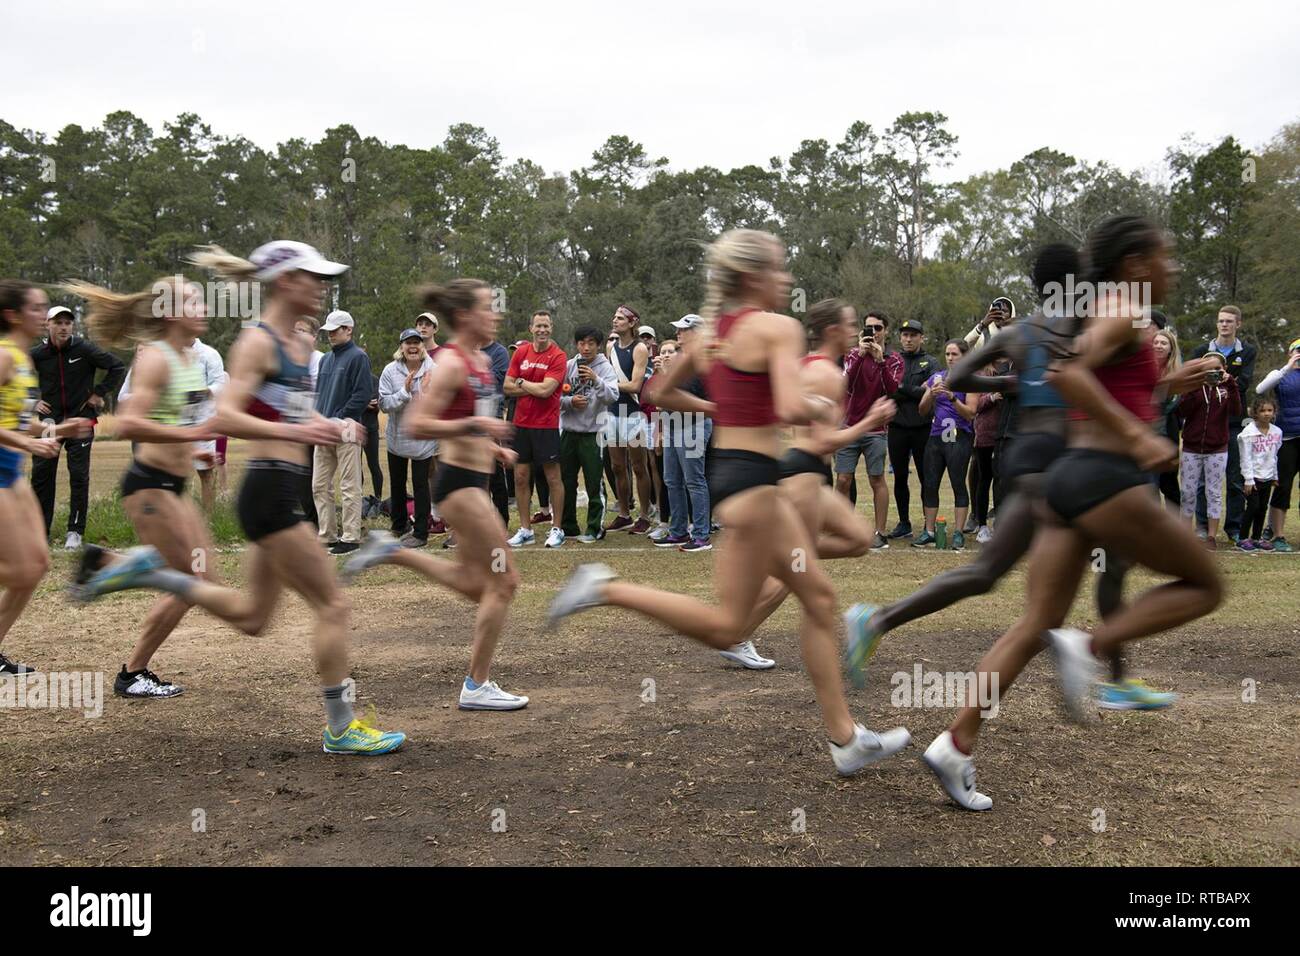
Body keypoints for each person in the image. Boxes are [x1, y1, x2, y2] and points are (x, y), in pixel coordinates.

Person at [550, 229, 910, 775]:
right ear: (752, 277)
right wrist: (824, 407)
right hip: (757, 484)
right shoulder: (778, 328)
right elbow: (790, 405)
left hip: (734, 480)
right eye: (778, 269)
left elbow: (658, 394)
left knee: (734, 626)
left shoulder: (711, 334)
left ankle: (606, 588)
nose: (786, 280)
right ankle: (844, 738)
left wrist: (722, 407)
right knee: (811, 599)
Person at [921, 216, 1222, 811]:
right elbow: (1071, 374)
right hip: (1105, 480)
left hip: (1066, 483)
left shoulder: (1106, 311)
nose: (1174, 269)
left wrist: (1165, 387)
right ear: (1136, 264)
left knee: (1034, 624)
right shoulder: (1121, 308)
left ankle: (956, 743)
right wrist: (1136, 440)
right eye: (1166, 257)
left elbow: (1101, 382)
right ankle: (1091, 647)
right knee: (1207, 584)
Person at [76, 242, 406, 754]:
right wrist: (301, 434)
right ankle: (341, 728)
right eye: (312, 278)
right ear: (285, 282)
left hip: (274, 490)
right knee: (333, 603)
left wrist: (332, 424)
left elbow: (288, 415)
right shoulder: (256, 342)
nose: (321, 289)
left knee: (253, 618)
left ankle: (147, 572)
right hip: (269, 491)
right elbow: (227, 418)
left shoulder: (295, 348)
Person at [345, 278, 529, 711]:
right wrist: (476, 429)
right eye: (487, 308)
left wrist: (492, 447)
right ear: (465, 317)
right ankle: (476, 685)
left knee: (473, 584)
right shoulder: (449, 363)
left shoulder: (480, 359)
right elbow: (417, 424)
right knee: (505, 582)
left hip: (472, 477)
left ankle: (391, 552)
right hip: (458, 484)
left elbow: (467, 421)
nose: (495, 314)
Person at [64, 276, 234, 697]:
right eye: (195, 303)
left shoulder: (185, 359)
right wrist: (189, 439)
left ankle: (110, 566)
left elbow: (170, 420)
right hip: (151, 489)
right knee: (193, 579)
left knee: (197, 578)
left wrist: (194, 453)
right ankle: (131, 664)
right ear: (173, 313)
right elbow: (128, 423)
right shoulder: (155, 359)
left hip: (170, 485)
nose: (205, 309)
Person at [733, 298, 896, 673]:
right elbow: (822, 442)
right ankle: (735, 634)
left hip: (806, 474)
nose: (858, 331)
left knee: (859, 538)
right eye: (851, 323)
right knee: (798, 564)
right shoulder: (826, 374)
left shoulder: (811, 367)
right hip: (804, 472)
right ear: (832, 331)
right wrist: (867, 420)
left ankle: (777, 555)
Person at [0, 281, 93, 674]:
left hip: (10, 470)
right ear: (13, 315)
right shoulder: (4, 356)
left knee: (36, 565)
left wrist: (58, 431)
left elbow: (18, 421)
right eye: (37, 308)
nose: (45, 315)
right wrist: (29, 444)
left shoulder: (21, 359)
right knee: (20, 566)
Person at [29, 304, 126, 549]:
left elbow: (117, 367)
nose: (63, 327)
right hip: (49, 424)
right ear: (47, 325)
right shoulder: (37, 354)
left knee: (79, 476)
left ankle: (75, 531)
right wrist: (32, 400)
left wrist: (98, 393)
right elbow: (20, 377)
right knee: (42, 477)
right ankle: (40, 533)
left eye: (67, 323)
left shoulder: (84, 349)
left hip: (81, 420)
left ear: (72, 325)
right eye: (58, 323)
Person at [833, 311, 901, 550]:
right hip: (849, 425)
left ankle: (880, 532)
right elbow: (845, 385)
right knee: (842, 479)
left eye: (879, 328)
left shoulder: (893, 360)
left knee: (876, 479)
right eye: (870, 328)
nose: (875, 332)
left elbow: (892, 389)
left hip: (876, 429)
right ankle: (840, 528)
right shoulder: (852, 354)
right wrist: (861, 356)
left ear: (886, 331)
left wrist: (880, 360)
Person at [1189, 305, 1256, 542]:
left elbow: (1244, 382)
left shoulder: (1247, 351)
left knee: (1234, 478)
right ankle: (1202, 526)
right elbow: (1194, 381)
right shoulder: (1201, 350)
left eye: (1229, 321)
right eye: (1221, 321)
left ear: (1238, 324)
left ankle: (1234, 528)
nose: (1224, 324)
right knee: (1202, 480)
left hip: (1234, 422)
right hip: (1205, 422)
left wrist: (1227, 382)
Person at [505, 310, 566, 548]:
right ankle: (525, 529)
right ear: (530, 328)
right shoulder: (521, 352)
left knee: (553, 478)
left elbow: (546, 391)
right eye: (538, 326)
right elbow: (507, 387)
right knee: (520, 477)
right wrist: (529, 385)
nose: (542, 330)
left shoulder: (558, 356)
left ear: (551, 328)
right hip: (521, 424)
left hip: (546, 425)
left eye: (546, 326)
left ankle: (557, 528)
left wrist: (521, 382)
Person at [313, 310, 372, 554]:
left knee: (349, 485)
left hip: (347, 427)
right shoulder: (325, 359)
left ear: (348, 329)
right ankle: (327, 535)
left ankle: (350, 537)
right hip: (324, 428)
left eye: (335, 330)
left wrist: (341, 417)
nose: (330, 335)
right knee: (319, 485)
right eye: (328, 331)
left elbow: (362, 393)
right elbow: (319, 394)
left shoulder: (358, 357)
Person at [655, 315, 714, 553]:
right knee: (672, 481)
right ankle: (678, 531)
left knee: (694, 481)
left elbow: (689, 393)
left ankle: (701, 535)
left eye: (683, 329)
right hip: (673, 423)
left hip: (693, 424)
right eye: (678, 329)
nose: (678, 333)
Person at [913, 339, 978, 550]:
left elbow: (970, 413)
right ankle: (929, 532)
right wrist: (930, 395)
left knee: (958, 483)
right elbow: (921, 411)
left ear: (964, 356)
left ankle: (958, 533)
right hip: (936, 436)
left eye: (955, 354)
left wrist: (952, 398)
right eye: (948, 354)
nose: (950, 358)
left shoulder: (970, 380)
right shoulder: (936, 378)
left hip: (958, 436)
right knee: (930, 484)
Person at [559, 326, 618, 543]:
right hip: (568, 432)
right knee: (566, 481)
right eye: (582, 343)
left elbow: (612, 396)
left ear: (598, 345)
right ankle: (568, 526)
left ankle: (595, 528)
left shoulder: (605, 368)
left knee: (594, 482)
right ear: (576, 345)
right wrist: (569, 401)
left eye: (591, 343)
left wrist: (595, 379)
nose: (586, 348)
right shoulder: (568, 366)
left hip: (594, 433)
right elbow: (554, 397)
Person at [1176, 350, 1240, 548]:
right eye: (1208, 369)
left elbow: (1237, 411)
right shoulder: (1195, 389)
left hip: (1217, 449)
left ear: (1225, 370)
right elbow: (1182, 410)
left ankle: (1211, 537)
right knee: (1188, 492)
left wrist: (1231, 384)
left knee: (1213, 492)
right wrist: (1195, 385)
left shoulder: (1227, 389)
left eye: (1217, 369)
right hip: (1192, 448)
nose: (1213, 372)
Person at [379, 329, 436, 546]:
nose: (413, 347)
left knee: (421, 485)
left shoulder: (434, 370)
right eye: (408, 343)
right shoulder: (390, 371)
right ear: (401, 347)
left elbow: (442, 403)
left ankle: (421, 532)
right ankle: (399, 525)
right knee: (397, 484)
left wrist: (426, 394)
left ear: (422, 346)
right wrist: (404, 392)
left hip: (423, 440)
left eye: (416, 342)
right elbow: (384, 405)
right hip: (397, 439)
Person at [604, 306, 655, 535]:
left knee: (638, 466)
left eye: (621, 318)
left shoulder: (640, 348)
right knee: (617, 466)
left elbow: (635, 385)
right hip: (613, 412)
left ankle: (644, 515)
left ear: (632, 323)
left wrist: (604, 385)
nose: (616, 321)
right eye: (615, 317)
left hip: (633, 414)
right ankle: (624, 514)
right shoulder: (611, 347)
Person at [884, 318, 935, 540]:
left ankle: (928, 523)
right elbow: (887, 390)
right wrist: (914, 390)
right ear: (900, 337)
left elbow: (930, 392)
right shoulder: (892, 361)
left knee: (927, 477)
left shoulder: (930, 362)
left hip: (923, 428)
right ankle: (904, 522)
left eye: (913, 335)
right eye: (905, 334)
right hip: (897, 427)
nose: (908, 338)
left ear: (921, 337)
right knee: (900, 477)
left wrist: (902, 388)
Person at [1254, 339, 1300, 551]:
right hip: (1288, 439)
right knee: (1282, 486)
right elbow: (1260, 388)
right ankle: (1277, 534)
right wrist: (1287, 368)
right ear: (1290, 353)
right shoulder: (1280, 374)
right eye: (1298, 351)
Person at [1237, 397, 1283, 552]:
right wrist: (1248, 479)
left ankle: (1256, 538)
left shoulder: (1277, 432)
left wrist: (1275, 476)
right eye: (1262, 410)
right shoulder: (1248, 433)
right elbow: (1245, 458)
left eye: (1269, 410)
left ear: (1274, 412)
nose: (1266, 414)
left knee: (1262, 507)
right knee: (1253, 506)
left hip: (1268, 477)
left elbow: (1274, 456)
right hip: (1253, 477)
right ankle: (1242, 538)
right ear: (1255, 413)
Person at [1151, 325, 1183, 512]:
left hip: (1168, 433)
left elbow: (1174, 402)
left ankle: (1174, 528)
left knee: (1169, 484)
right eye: (1155, 342)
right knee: (1150, 484)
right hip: (1147, 434)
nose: (1159, 346)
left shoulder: (1176, 373)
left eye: (1164, 343)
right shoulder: (1142, 370)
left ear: (1171, 348)